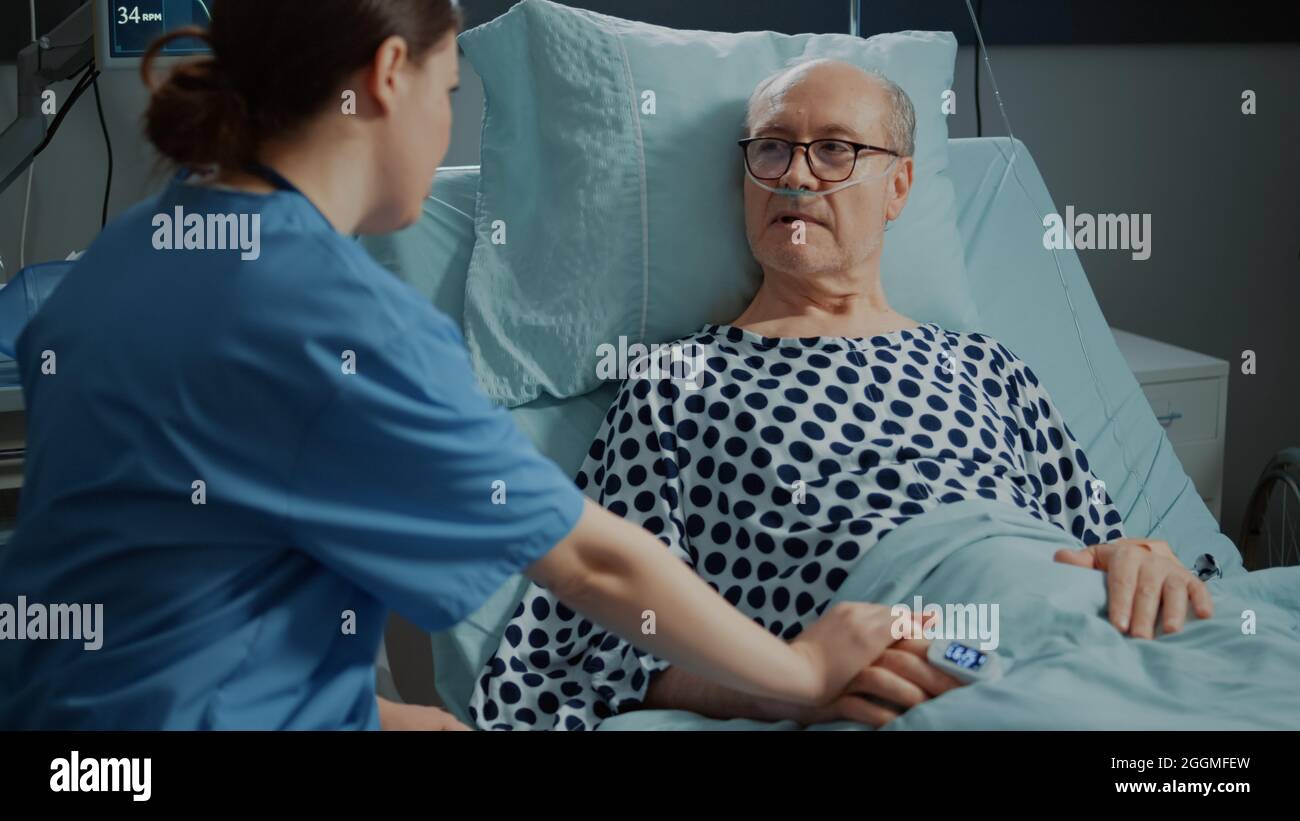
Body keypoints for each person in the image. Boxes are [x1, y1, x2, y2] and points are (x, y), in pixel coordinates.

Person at [0, 4, 926, 730]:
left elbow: (164, 589)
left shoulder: (114, 264)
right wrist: (802, 670)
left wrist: (368, 716)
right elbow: (592, 565)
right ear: (389, 76)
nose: (449, 130)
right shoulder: (348, 322)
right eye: (450, 96)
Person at [469, 59, 1213, 730]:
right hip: (921, 664)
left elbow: (1105, 545)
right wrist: (777, 685)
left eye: (835, 149)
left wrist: (1145, 557)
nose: (795, 174)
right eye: (772, 147)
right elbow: (584, 652)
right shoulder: (678, 381)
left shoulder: (990, 367)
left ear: (899, 187)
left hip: (1079, 623)